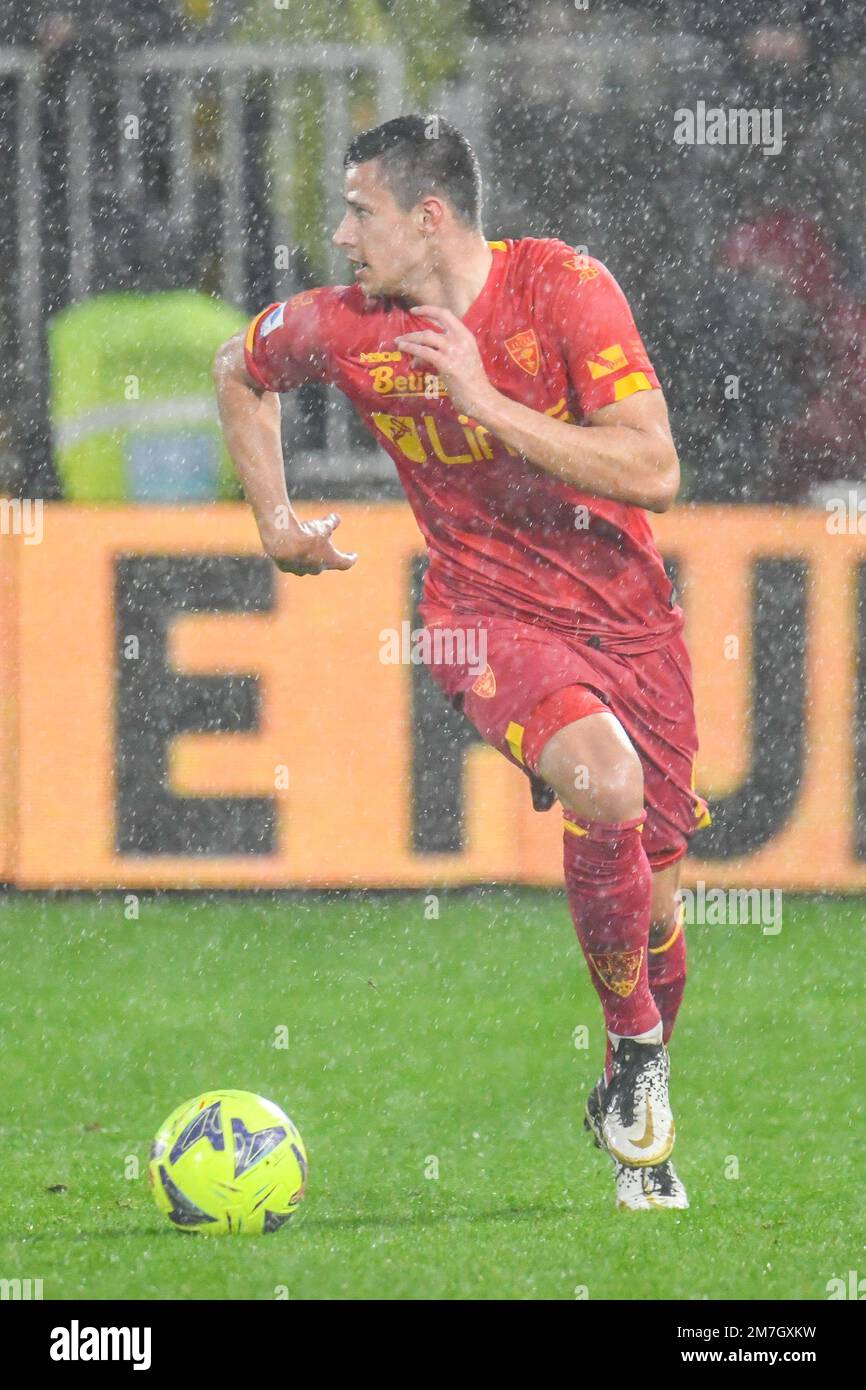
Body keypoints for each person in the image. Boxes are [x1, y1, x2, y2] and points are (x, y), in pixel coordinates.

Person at [213, 115, 710, 1211]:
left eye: (359, 211)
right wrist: (276, 521)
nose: (340, 235)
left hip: (626, 621)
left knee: (658, 906)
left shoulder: (565, 291)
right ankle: (635, 1057)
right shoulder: (344, 326)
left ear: (427, 216)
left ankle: (633, 1092)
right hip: (478, 616)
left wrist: (485, 402)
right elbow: (235, 369)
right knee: (603, 778)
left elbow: (654, 469)